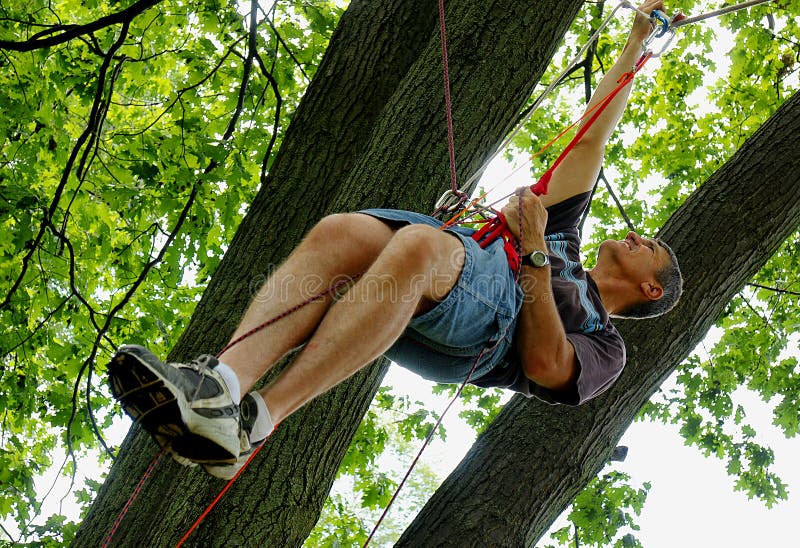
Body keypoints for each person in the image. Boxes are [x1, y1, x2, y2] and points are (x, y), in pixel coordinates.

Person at [108, 0, 682, 480]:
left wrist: (531, 250)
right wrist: (638, 40)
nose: (635, 234)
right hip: (455, 284)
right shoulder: (566, 241)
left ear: (651, 289)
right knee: (343, 233)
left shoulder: (606, 347)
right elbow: (589, 141)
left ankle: (255, 423)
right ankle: (219, 387)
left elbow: (545, 362)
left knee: (421, 248)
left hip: (490, 331)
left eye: (649, 245)